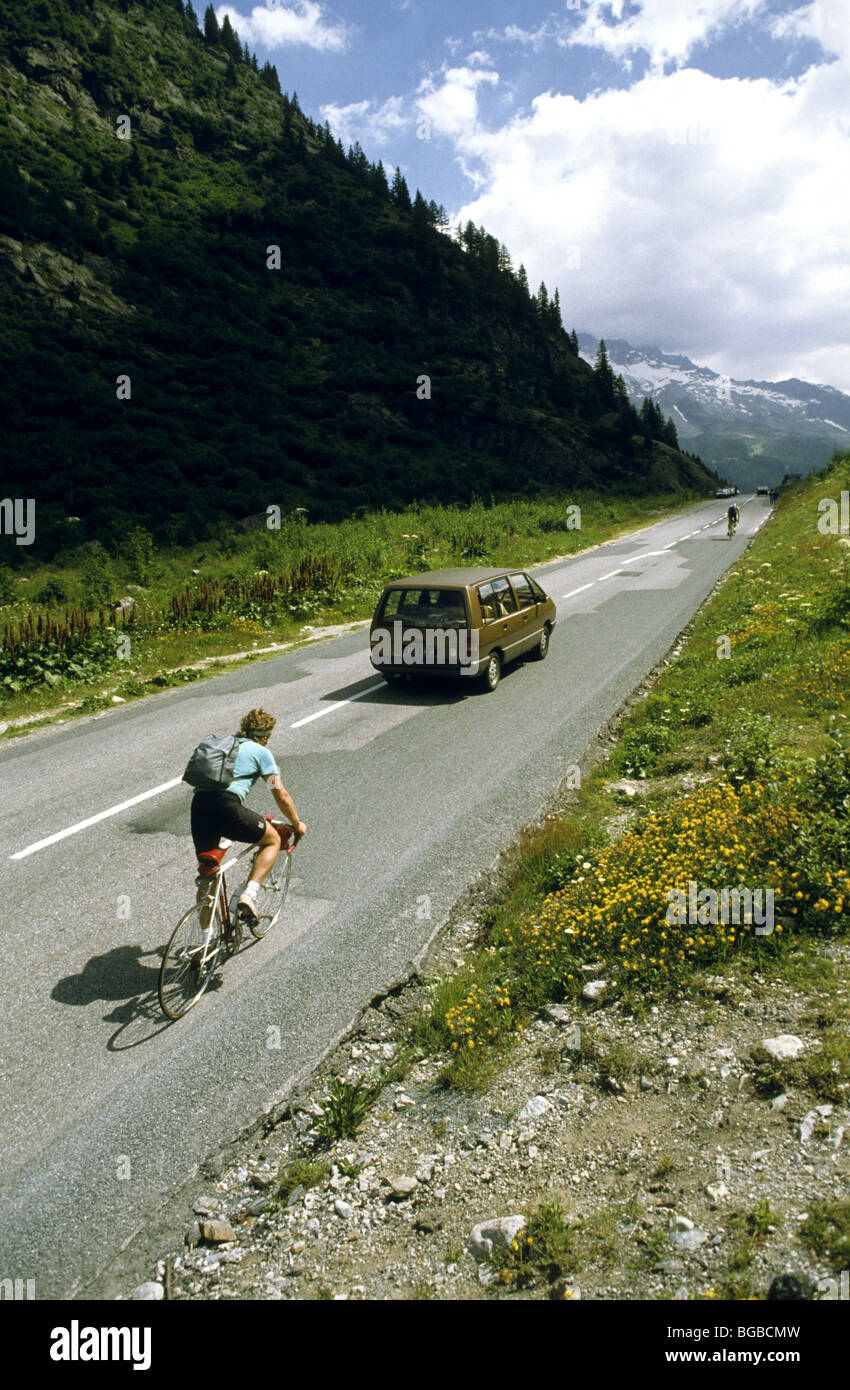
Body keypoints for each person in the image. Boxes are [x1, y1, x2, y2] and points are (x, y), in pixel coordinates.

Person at [190, 708, 306, 925]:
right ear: (267, 735)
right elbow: (280, 793)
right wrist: (297, 823)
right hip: (227, 807)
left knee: (208, 875)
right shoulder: (261, 753)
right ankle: (249, 895)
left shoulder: (226, 747)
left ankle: (203, 945)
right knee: (273, 840)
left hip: (199, 809)